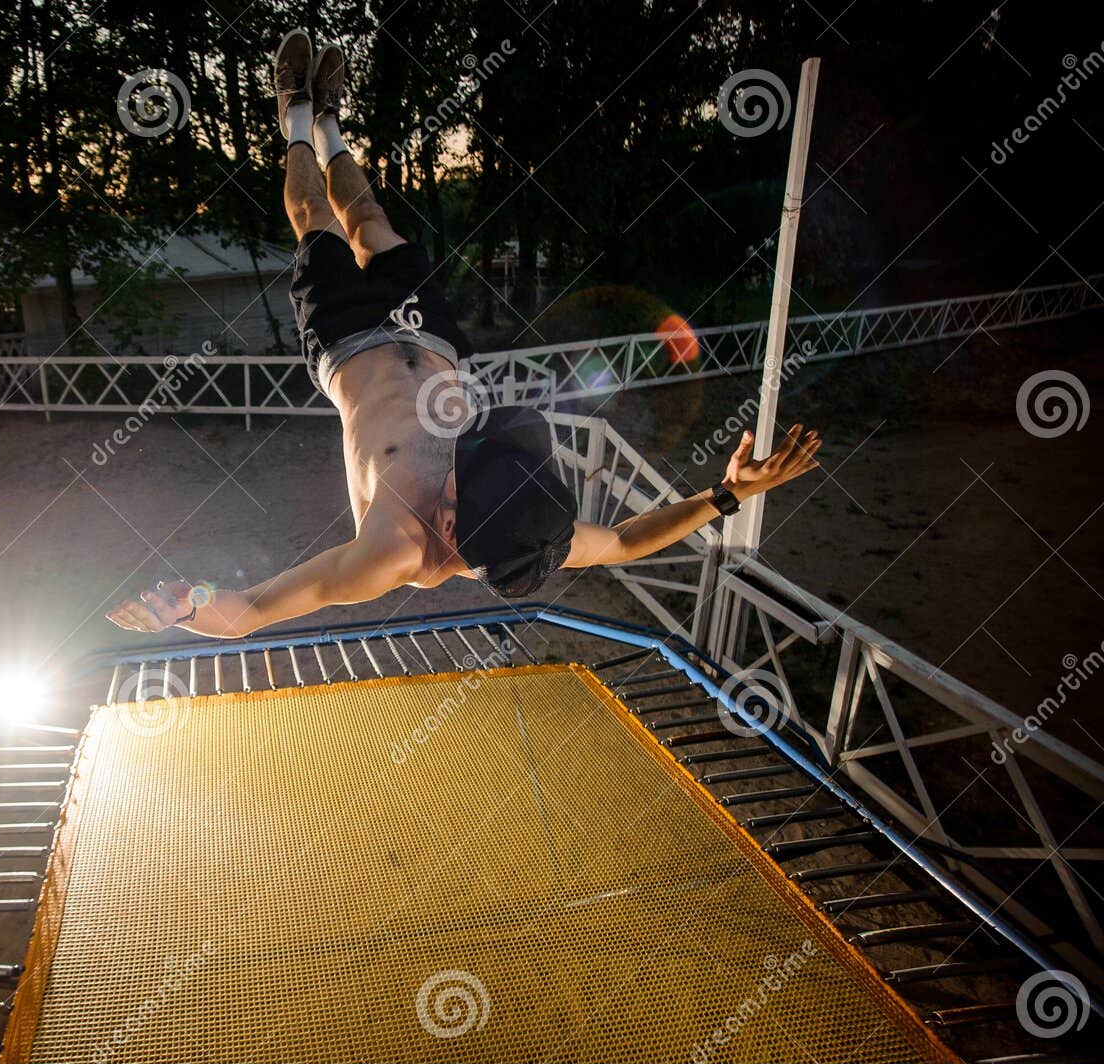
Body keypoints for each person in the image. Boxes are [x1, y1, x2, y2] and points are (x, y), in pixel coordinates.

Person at [107, 29, 820, 637]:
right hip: (436, 341)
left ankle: (293, 109)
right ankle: (330, 123)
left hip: (348, 344)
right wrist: (726, 495)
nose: (475, 439)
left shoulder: (391, 552)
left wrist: (186, 603)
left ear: (450, 512)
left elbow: (258, 607)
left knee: (317, 224)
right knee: (374, 222)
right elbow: (628, 542)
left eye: (470, 455)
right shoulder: (537, 522)